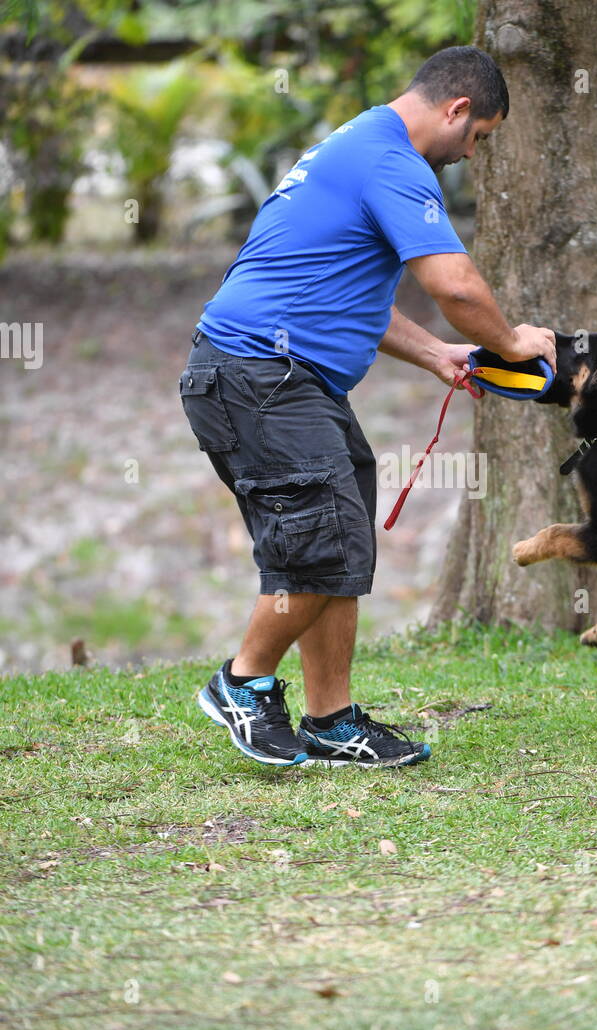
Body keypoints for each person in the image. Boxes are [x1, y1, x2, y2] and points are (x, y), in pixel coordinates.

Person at [180, 45, 555, 770]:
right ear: (456, 109)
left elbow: (343, 298)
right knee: (324, 542)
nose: (473, 155)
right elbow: (455, 285)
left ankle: (330, 719)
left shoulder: (355, 146)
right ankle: (241, 682)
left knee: (341, 537)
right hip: (257, 375)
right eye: (478, 138)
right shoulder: (392, 162)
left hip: (282, 376)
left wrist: (440, 354)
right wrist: (510, 340)